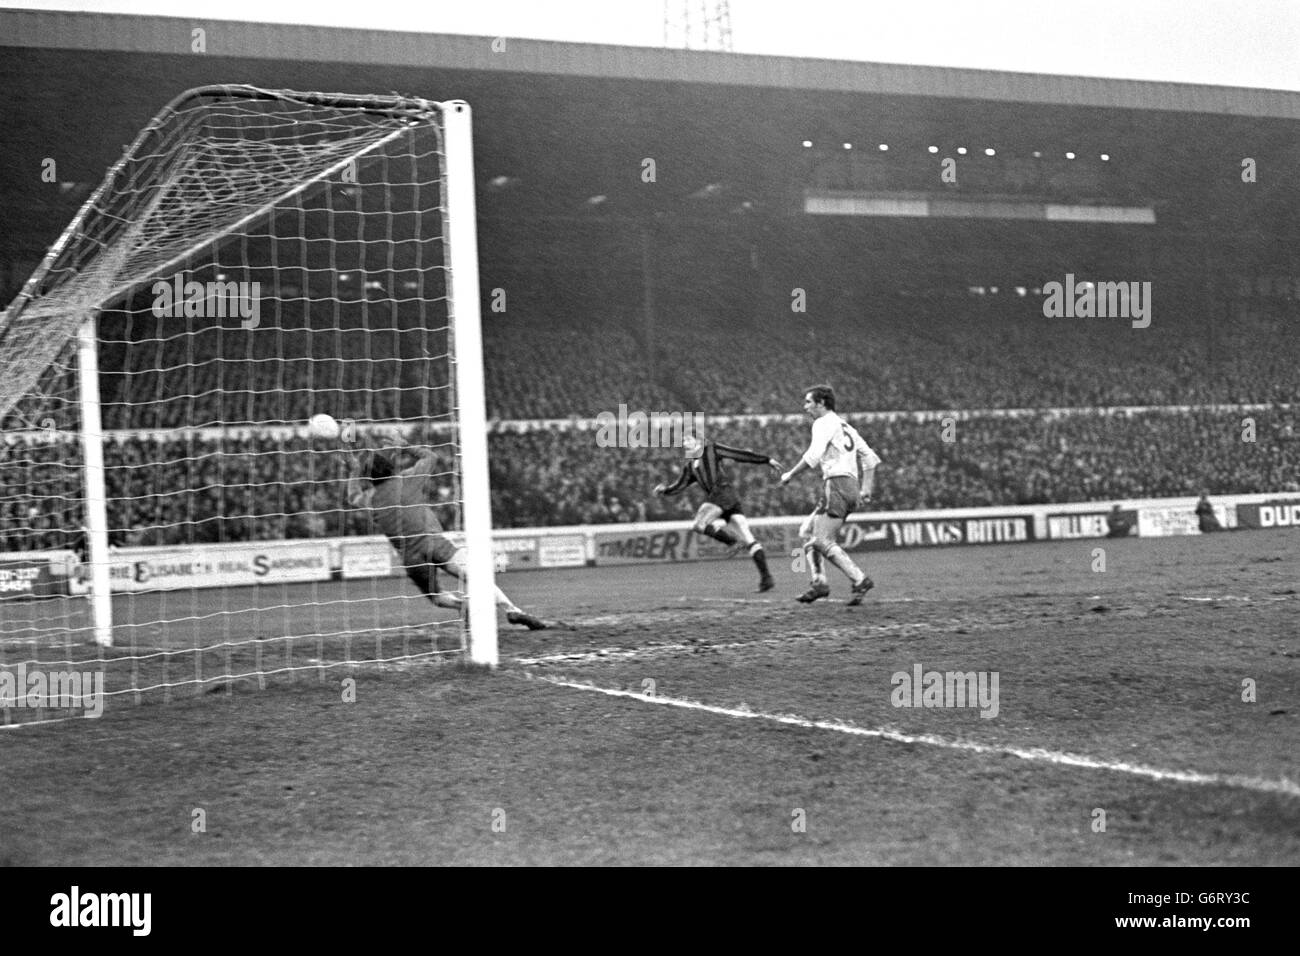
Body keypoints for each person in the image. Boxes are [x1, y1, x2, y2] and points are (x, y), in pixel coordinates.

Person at [347, 433, 549, 630]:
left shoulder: (370, 499)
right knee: (476, 577)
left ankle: (462, 606)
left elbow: (352, 497)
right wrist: (406, 448)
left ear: (370, 478)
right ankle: (512, 610)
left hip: (411, 556)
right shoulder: (407, 479)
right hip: (434, 542)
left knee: (435, 596)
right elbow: (430, 457)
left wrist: (354, 471)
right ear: (391, 467)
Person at [780, 385, 880, 605]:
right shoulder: (846, 426)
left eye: (808, 402)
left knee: (822, 541)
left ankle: (860, 579)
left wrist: (790, 474)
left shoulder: (823, 423)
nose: (805, 407)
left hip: (837, 484)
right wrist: (866, 489)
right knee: (806, 532)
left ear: (821, 403)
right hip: (851, 487)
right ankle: (819, 583)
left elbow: (813, 456)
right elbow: (871, 459)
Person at [653, 432, 780, 592]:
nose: (684, 443)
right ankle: (766, 579)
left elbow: (738, 454)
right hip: (728, 499)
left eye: (687, 439)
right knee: (749, 538)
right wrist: (665, 491)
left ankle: (732, 542)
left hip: (722, 493)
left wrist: (766, 459)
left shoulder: (711, 449)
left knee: (699, 524)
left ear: (698, 440)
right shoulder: (691, 465)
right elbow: (680, 485)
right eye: (683, 440)